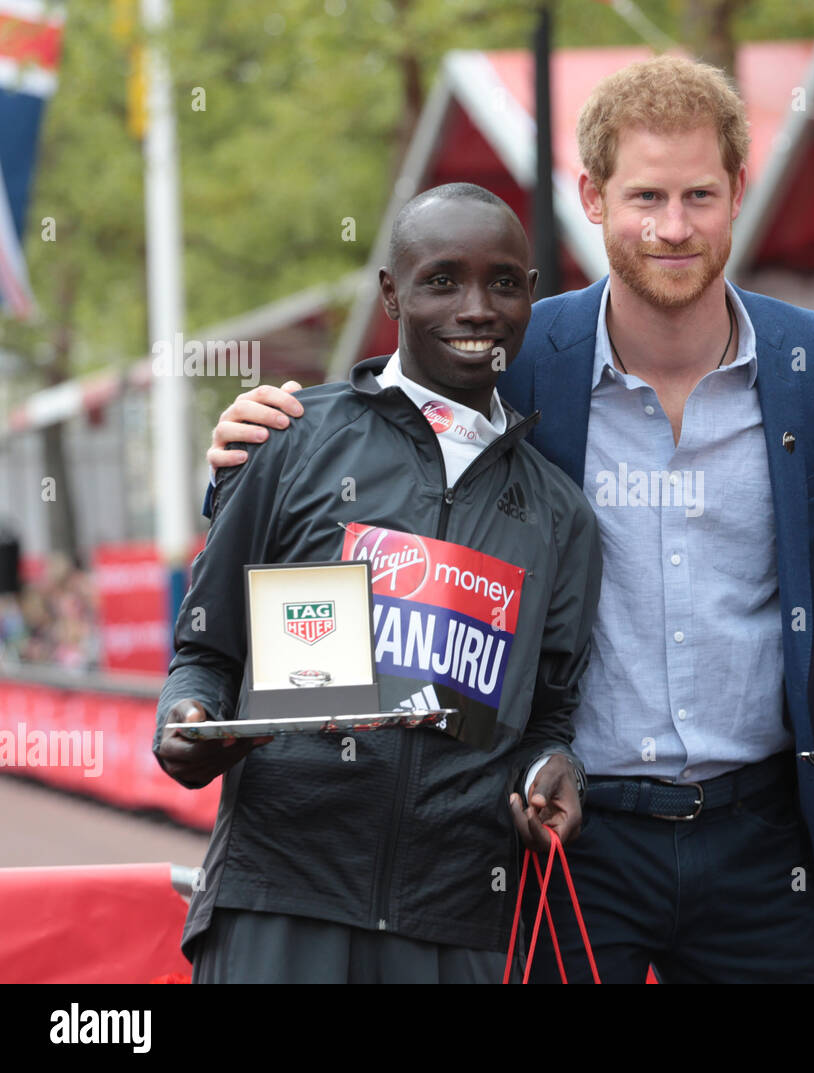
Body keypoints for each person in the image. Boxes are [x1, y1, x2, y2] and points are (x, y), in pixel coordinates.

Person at [205, 57, 814, 983]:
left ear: (740, 190)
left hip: (760, 832)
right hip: (566, 825)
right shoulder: (523, 350)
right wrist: (246, 450)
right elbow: (391, 443)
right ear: (592, 196)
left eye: (699, 195)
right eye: (647, 198)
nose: (673, 227)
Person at [154, 184, 602, 983]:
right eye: (441, 280)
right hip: (280, 904)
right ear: (392, 293)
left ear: (531, 296)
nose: (476, 308)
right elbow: (206, 649)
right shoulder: (289, 441)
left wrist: (549, 774)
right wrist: (189, 722)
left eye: (503, 282)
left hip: (457, 921)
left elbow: (551, 716)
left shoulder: (560, 513)